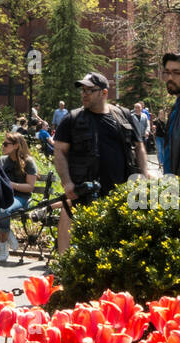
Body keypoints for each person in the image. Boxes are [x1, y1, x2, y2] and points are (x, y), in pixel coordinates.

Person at [52, 72, 145, 253]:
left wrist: (143, 173)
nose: (84, 94)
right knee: (70, 223)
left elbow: (139, 146)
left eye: (89, 90)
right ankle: (63, 268)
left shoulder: (123, 115)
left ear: (104, 93)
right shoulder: (72, 119)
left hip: (120, 192)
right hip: (85, 191)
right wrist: (67, 183)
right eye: (83, 90)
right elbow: (59, 153)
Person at [0, 132, 38, 263]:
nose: (2, 146)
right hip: (5, 196)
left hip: (22, 199)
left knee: (3, 210)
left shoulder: (28, 162)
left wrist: (11, 185)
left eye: (5, 144)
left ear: (15, 146)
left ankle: (3, 245)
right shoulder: (3, 160)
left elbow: (30, 187)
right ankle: (8, 234)